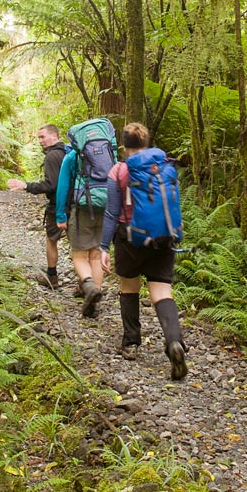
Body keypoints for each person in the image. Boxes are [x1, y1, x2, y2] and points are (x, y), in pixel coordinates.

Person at [99, 122, 188, 380]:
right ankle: (174, 342)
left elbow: (112, 213)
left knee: (129, 287)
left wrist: (104, 246)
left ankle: (131, 343)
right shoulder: (163, 165)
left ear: (123, 145)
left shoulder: (119, 171)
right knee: (161, 291)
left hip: (130, 238)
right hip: (163, 237)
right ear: (147, 142)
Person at [54, 133, 110, 317]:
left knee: (79, 256)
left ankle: (89, 286)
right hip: (104, 208)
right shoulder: (109, 154)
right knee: (95, 256)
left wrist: (60, 215)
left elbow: (62, 188)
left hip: (82, 209)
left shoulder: (72, 156)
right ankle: (95, 296)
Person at [7, 124, 67, 288]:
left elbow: (50, 185)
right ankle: (85, 284)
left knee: (51, 240)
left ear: (54, 136)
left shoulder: (52, 156)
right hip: (75, 203)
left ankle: (52, 277)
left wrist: (26, 186)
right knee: (78, 245)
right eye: (38, 138)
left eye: (42, 137)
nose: (40, 141)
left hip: (58, 206)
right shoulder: (67, 153)